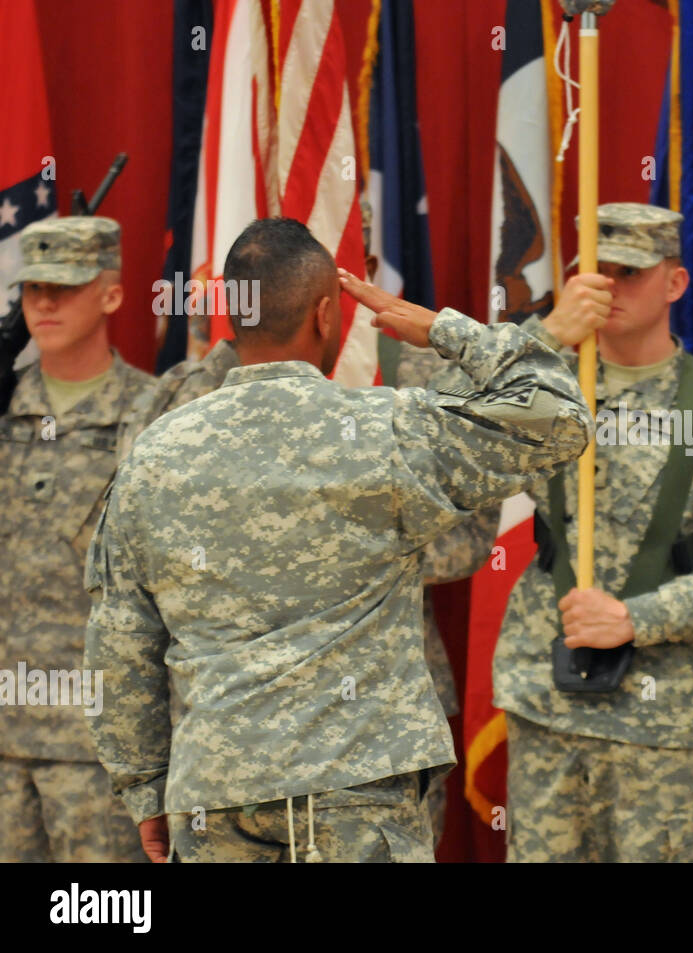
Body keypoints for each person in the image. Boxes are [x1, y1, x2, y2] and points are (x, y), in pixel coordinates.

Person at [84, 217, 592, 862]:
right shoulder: (385, 433)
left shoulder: (153, 456)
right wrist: (442, 329)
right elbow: (560, 416)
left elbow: (120, 643)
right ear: (327, 314)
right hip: (359, 798)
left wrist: (145, 787)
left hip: (215, 797)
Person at [492, 202, 693, 862]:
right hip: (549, 704)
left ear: (676, 282)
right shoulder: (544, 389)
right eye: (595, 272)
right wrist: (544, 333)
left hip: (666, 721)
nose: (608, 288)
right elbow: (447, 432)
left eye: (629, 272)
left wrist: (641, 616)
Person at [0, 217, 153, 862]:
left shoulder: (151, 416)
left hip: (98, 743)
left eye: (65, 286)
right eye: (34, 287)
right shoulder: (5, 407)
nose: (46, 303)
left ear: (112, 295)